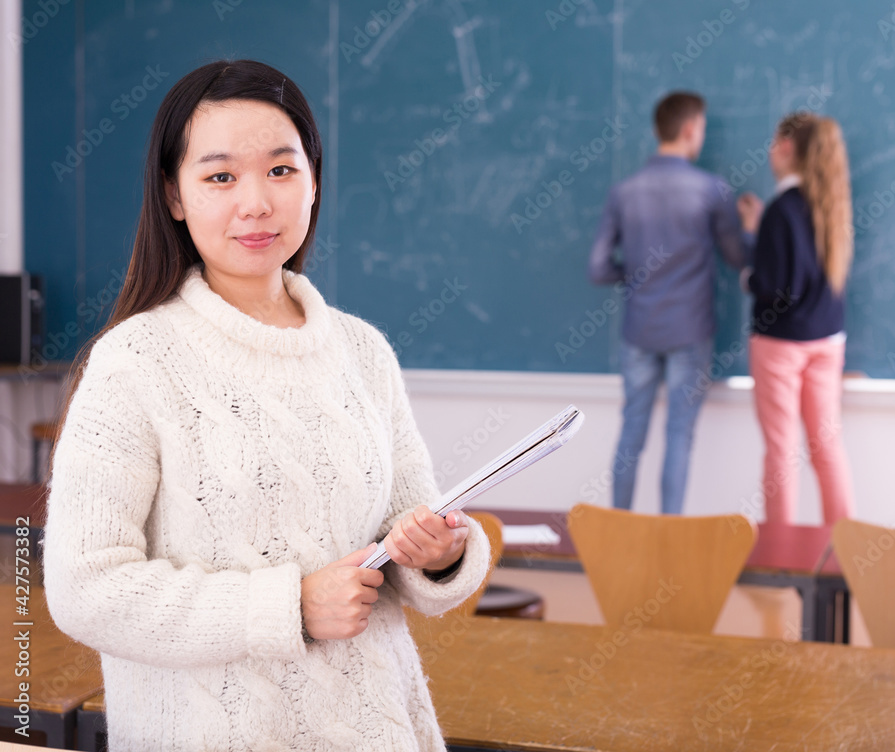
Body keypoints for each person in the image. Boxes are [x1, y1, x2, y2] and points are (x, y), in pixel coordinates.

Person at [41, 59, 491, 752]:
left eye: (281, 170)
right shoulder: (135, 361)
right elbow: (85, 589)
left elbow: (414, 536)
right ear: (175, 195)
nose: (256, 202)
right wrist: (289, 607)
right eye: (220, 176)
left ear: (313, 179)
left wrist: (436, 555)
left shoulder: (360, 349)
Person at [589, 91, 751, 515]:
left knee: (631, 432)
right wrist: (751, 228)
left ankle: (617, 532)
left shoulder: (625, 192)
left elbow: (598, 267)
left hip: (638, 329)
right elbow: (738, 258)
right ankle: (670, 537)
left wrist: (638, 274)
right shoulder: (711, 190)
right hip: (690, 330)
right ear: (689, 130)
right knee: (679, 434)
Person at [737, 112, 855, 525]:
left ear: (787, 149)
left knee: (781, 449)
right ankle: (844, 547)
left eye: (774, 143)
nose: (770, 152)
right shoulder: (832, 207)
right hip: (827, 341)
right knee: (828, 446)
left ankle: (781, 553)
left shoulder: (780, 210)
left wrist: (748, 275)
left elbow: (775, 287)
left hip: (780, 345)